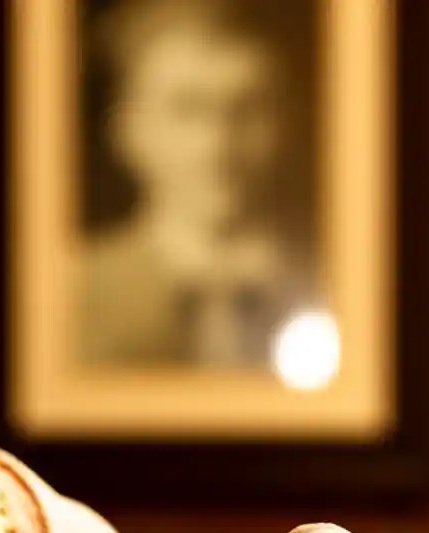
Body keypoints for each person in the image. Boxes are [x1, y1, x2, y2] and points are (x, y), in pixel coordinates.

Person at [80, 0, 317, 368]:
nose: (218, 145)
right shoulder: (68, 297)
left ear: (286, 125)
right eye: (187, 111)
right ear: (127, 130)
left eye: (247, 110)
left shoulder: (336, 288)